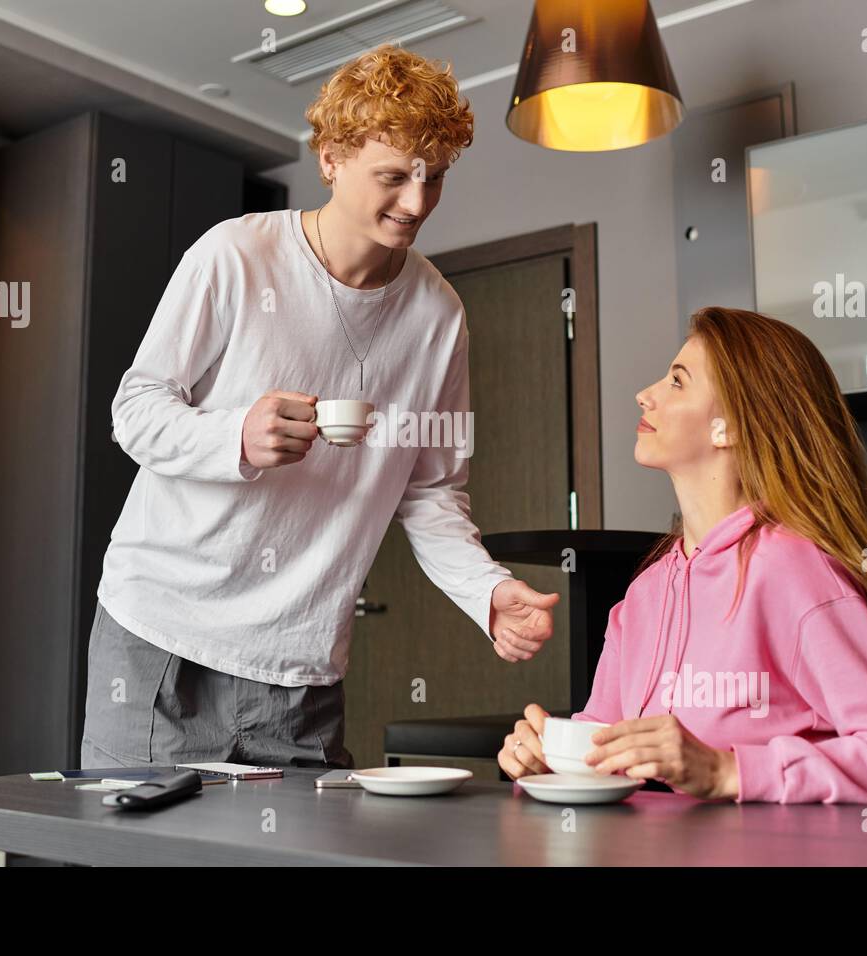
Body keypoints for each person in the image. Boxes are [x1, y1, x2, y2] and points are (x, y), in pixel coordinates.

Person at [81, 44, 559, 771]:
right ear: (332, 159)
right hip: (159, 639)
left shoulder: (438, 316)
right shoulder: (237, 256)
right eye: (393, 178)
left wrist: (486, 591)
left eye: (434, 179)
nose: (416, 204)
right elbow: (136, 409)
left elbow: (429, 490)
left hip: (299, 666)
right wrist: (236, 436)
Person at [498, 307, 867, 808]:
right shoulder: (645, 593)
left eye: (676, 382)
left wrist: (727, 770)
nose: (644, 395)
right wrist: (547, 757)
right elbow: (604, 741)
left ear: (728, 426)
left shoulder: (791, 568)